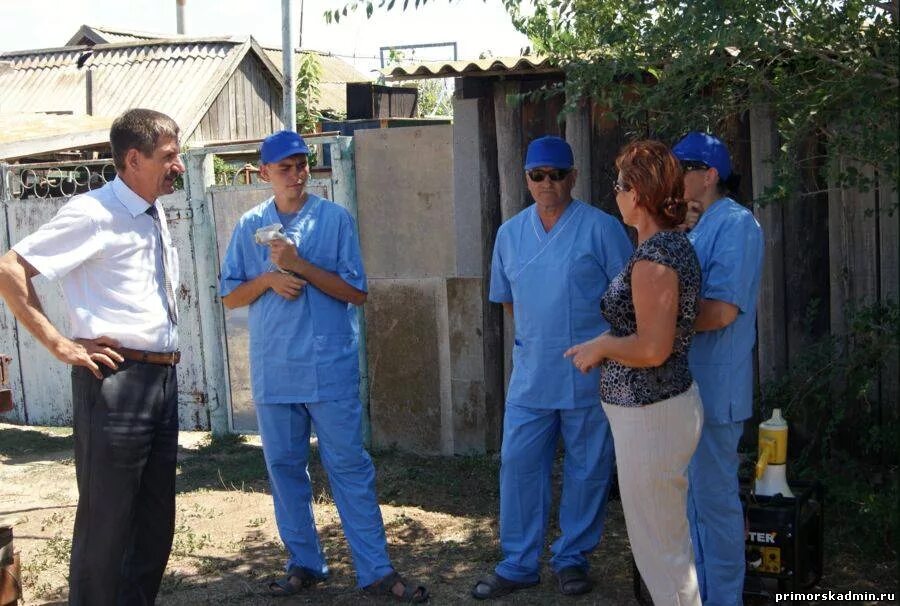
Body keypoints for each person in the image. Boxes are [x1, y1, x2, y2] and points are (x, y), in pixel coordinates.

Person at [218, 130, 428, 602]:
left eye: (302, 165)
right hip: (275, 369)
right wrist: (269, 279)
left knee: (349, 466)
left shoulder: (334, 220)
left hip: (328, 367)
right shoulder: (249, 225)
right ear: (264, 172)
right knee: (284, 468)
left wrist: (300, 266)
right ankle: (304, 563)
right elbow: (229, 295)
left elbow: (357, 293)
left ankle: (375, 570)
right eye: (285, 168)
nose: (296, 175)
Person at [0, 108, 185, 605]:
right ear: (134, 159)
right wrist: (59, 343)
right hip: (115, 381)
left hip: (160, 380)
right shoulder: (94, 212)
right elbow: (10, 269)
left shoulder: (151, 211)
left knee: (154, 523)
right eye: (169, 156)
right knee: (107, 524)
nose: (178, 166)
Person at [471, 136, 633, 599]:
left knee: (588, 468)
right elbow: (508, 301)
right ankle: (519, 562)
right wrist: (539, 339)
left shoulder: (602, 229)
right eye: (538, 175)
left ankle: (572, 557)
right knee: (519, 465)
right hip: (532, 374)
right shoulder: (509, 234)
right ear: (526, 179)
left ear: (573, 177)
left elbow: (628, 301)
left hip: (588, 372)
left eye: (557, 174)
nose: (548, 183)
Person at [565, 140, 703, 605]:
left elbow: (653, 348)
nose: (616, 194)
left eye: (620, 185)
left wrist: (603, 346)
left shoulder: (655, 258)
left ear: (638, 194)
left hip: (652, 417)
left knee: (661, 554)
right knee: (663, 548)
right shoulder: (665, 246)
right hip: (656, 413)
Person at [673, 132, 764, 606]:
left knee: (715, 503)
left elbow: (724, 310)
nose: (674, 176)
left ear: (708, 175)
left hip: (716, 389)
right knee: (691, 503)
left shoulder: (737, 225)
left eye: (681, 167)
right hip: (686, 388)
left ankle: (725, 598)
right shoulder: (694, 226)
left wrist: (663, 324)